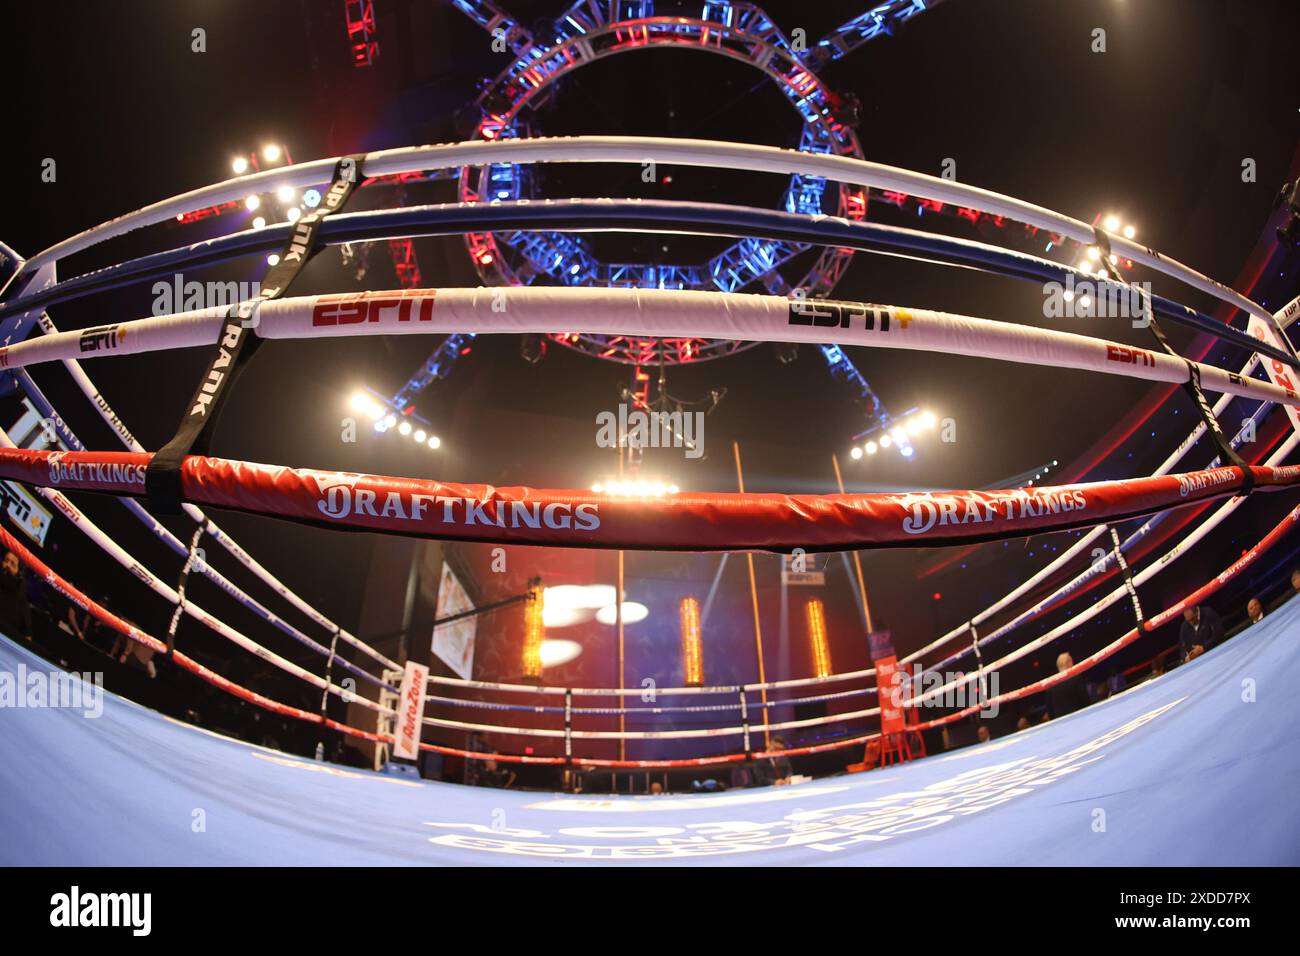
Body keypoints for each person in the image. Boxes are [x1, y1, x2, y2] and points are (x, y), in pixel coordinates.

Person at [1045, 652, 1090, 720]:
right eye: (1072, 662)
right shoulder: (1076, 679)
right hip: (1079, 718)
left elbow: (1050, 711)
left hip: (1061, 722)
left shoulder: (1051, 684)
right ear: (1069, 663)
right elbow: (1085, 701)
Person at [0, 550, 33, 642]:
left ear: (19, 572)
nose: (7, 565)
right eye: (6, 561)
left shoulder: (22, 602)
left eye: (12, 564)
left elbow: (27, 637)